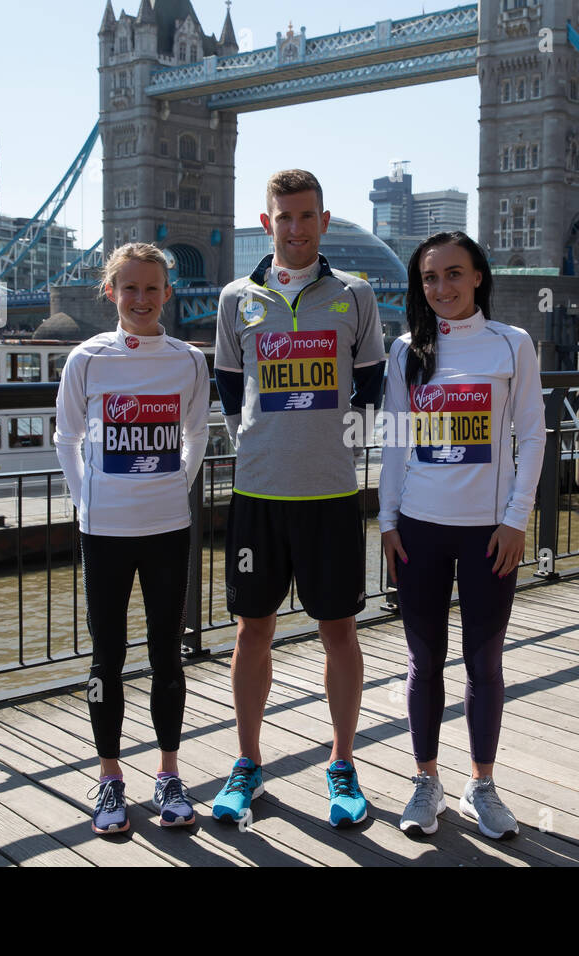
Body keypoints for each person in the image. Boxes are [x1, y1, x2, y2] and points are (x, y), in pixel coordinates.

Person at [212, 169, 386, 827]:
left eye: (307, 216)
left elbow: (369, 388)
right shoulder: (236, 300)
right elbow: (231, 392)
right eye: (283, 217)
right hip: (257, 493)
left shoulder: (355, 296)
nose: (296, 228)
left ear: (324, 220)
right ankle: (248, 767)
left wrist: (333, 448)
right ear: (267, 224)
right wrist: (267, 443)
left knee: (337, 630)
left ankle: (342, 765)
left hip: (331, 495)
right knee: (251, 631)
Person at [379, 232, 545, 839]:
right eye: (429, 278)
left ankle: (482, 785)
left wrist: (516, 520)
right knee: (424, 662)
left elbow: (532, 436)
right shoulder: (406, 352)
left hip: (488, 534)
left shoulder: (511, 344)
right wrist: (389, 521)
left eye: (454, 274)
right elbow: (395, 441)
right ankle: (426, 782)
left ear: (478, 276)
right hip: (420, 529)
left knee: (485, 661)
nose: (441, 288)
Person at [54, 242, 209, 835]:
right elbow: (66, 439)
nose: (141, 299)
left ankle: (169, 773)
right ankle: (110, 778)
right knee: (107, 657)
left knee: (168, 652)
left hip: (168, 525)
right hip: (106, 529)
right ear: (111, 293)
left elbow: (196, 433)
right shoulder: (86, 361)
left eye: (152, 289)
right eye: (130, 288)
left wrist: (177, 483)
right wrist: (83, 500)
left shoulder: (188, 361)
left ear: (167, 294)